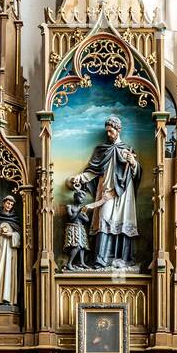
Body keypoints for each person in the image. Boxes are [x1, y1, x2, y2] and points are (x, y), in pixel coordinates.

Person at [75, 114, 141, 268]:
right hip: (106, 191)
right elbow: (95, 170)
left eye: (111, 131)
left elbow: (137, 173)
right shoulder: (102, 150)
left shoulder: (127, 149)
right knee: (104, 218)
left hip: (123, 193)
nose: (108, 134)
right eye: (107, 131)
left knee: (122, 221)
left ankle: (122, 259)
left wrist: (133, 163)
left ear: (118, 130)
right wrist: (80, 178)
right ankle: (100, 259)